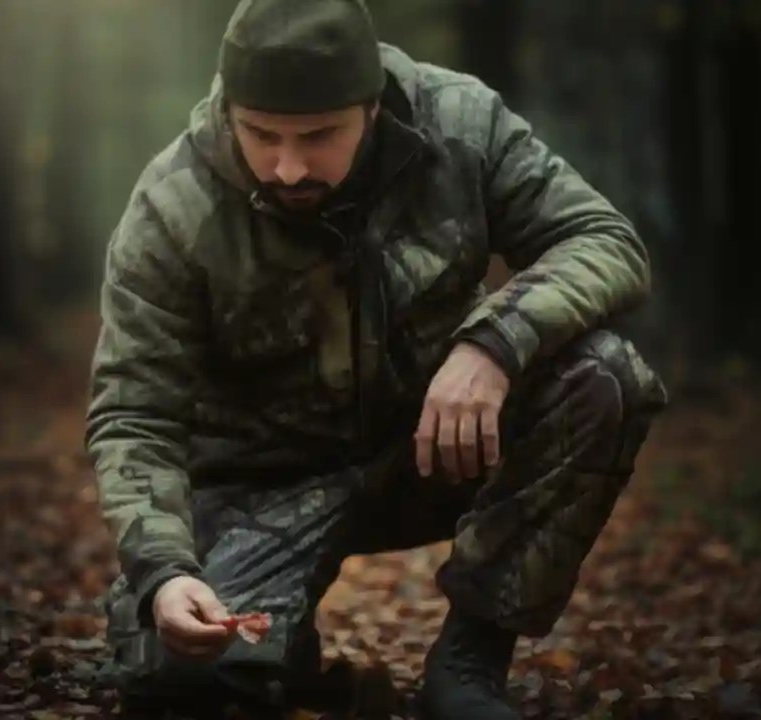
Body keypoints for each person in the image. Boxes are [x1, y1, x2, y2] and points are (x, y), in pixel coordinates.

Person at [85, 0, 668, 717]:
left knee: (604, 376)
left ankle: (470, 661)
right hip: (260, 484)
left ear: (372, 107)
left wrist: (494, 344)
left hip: (430, 447)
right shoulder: (173, 204)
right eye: (260, 134)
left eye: (320, 135)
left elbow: (604, 240)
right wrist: (164, 572)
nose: (287, 166)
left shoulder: (460, 125)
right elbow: (134, 413)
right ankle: (273, 648)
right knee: (186, 681)